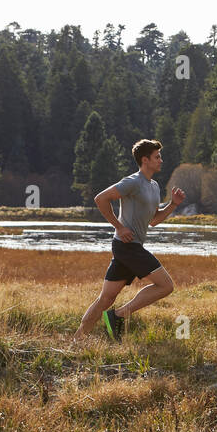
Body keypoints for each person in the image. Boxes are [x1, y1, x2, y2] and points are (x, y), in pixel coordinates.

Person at [75, 138, 184, 339]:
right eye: (157, 157)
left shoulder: (153, 186)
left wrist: (173, 205)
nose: (161, 160)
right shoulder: (133, 182)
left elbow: (153, 220)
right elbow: (101, 199)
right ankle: (117, 316)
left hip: (128, 247)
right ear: (145, 160)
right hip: (127, 247)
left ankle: (78, 338)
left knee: (105, 298)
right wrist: (119, 226)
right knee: (166, 286)